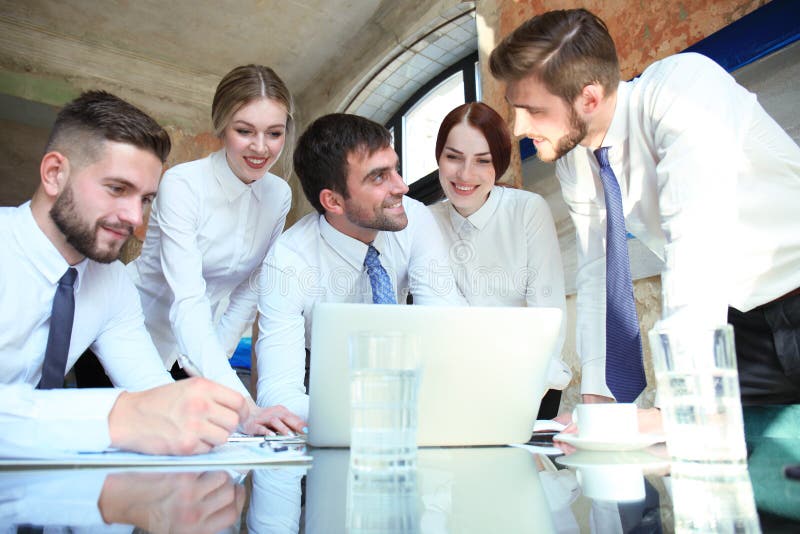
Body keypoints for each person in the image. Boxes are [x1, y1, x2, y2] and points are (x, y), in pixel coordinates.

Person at [489, 8, 800, 430]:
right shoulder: (576, 163)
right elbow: (598, 272)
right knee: (745, 472)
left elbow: (697, 249)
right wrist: (598, 399)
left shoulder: (685, 89)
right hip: (739, 321)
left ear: (589, 97)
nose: (519, 128)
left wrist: (676, 406)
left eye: (532, 110)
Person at [0, 90, 254, 455]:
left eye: (145, 199)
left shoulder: (112, 282)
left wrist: (211, 410)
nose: (136, 219)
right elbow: (132, 412)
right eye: (117, 189)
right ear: (55, 174)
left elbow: (150, 391)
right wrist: (116, 416)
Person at [128, 65, 305, 434]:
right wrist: (242, 404)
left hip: (202, 350)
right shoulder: (183, 185)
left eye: (274, 133)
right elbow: (187, 299)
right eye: (245, 131)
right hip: (136, 334)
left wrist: (216, 362)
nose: (261, 148)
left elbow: (251, 286)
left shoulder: (279, 195)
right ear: (222, 126)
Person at [255, 113, 465, 418]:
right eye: (379, 177)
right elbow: (278, 397)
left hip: (414, 393)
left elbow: (446, 326)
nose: (402, 187)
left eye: (395, 169)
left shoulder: (415, 218)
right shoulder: (287, 262)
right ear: (334, 202)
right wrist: (371, 415)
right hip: (330, 395)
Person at [428, 102, 571, 416]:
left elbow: (548, 318)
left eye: (483, 161)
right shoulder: (424, 223)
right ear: (439, 157)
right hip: (455, 389)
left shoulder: (527, 211)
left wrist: (512, 390)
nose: (465, 174)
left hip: (529, 382)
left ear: (500, 164)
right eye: (453, 157)